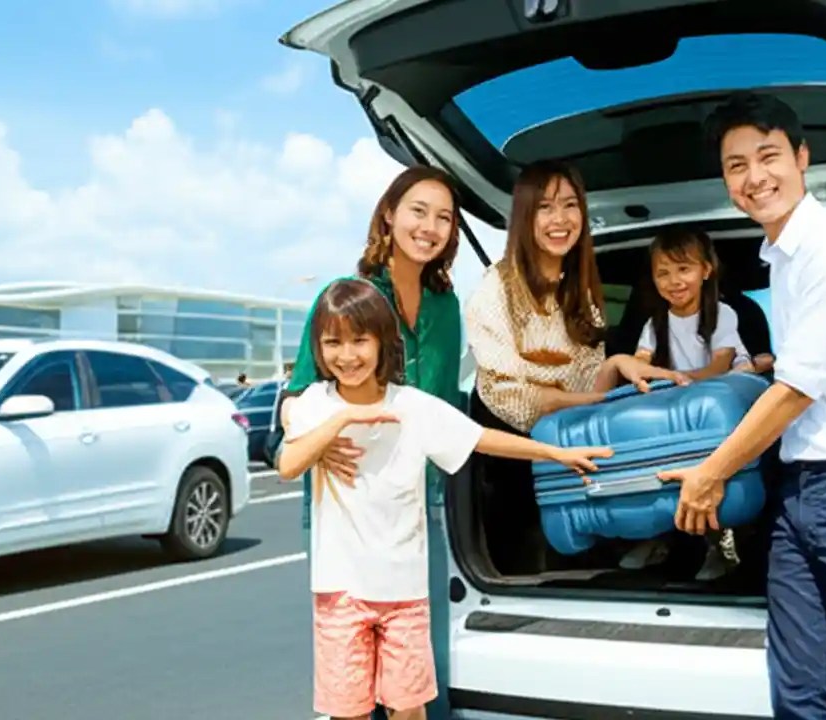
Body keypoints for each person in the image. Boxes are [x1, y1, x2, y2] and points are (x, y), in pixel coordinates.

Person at [656, 91, 826, 719]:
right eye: (735, 166)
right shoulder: (782, 258)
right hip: (801, 490)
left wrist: (710, 473)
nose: (754, 178)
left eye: (768, 156)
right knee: (798, 694)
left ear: (802, 157)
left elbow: (797, 388)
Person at [278, 278, 612, 720]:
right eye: (332, 342)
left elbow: (479, 438)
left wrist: (554, 452)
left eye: (360, 340)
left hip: (403, 591)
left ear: (383, 342)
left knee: (409, 708)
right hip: (340, 591)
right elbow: (288, 463)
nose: (347, 355)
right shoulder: (315, 403)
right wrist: (346, 419)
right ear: (318, 349)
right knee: (349, 713)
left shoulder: (412, 405)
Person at [275, 165, 465, 720]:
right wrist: (314, 437)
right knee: (351, 680)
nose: (430, 227)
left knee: (417, 677)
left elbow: (445, 406)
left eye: (444, 218)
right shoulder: (348, 297)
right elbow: (296, 396)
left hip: (414, 505)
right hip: (345, 496)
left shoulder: (446, 306)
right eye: (418, 211)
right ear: (388, 213)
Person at [463, 159, 675, 573]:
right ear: (525, 216)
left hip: (571, 454)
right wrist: (584, 400)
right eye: (545, 207)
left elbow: (587, 385)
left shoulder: (583, 295)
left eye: (569, 205)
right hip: (511, 462)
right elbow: (513, 397)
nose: (560, 220)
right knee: (526, 576)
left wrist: (616, 365)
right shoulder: (496, 288)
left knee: (583, 569)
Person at [619, 228, 771, 577]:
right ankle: (656, 533)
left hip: (722, 399)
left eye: (683, 269)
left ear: (706, 270)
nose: (674, 281)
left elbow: (720, 365)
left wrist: (680, 380)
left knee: (710, 463)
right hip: (681, 403)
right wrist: (642, 373)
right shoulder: (655, 323)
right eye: (663, 273)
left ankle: (720, 545)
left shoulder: (722, 314)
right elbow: (640, 358)